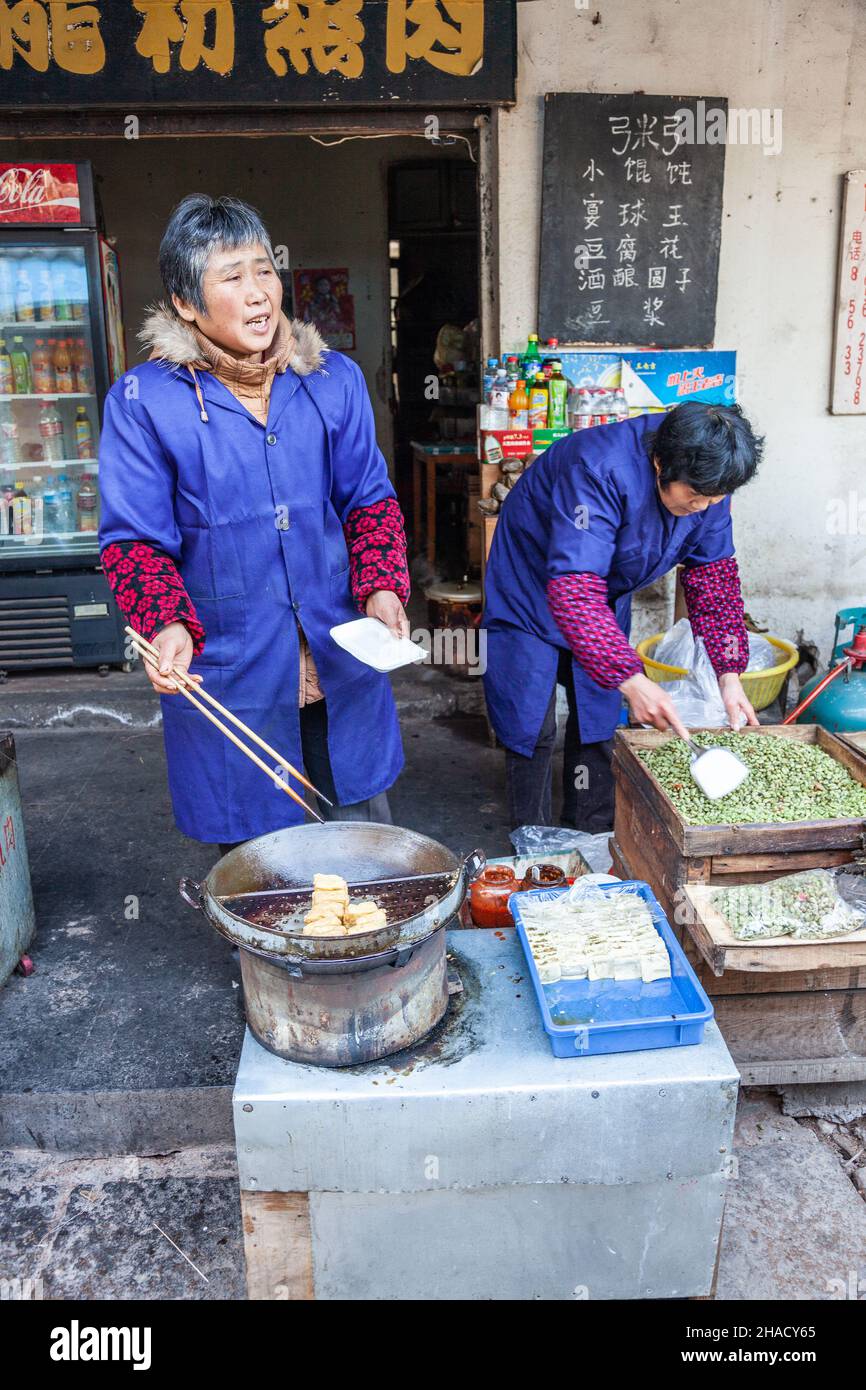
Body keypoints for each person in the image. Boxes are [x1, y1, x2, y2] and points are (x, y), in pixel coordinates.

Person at [99, 194, 410, 852]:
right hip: (230, 664)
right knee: (260, 863)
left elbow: (369, 502)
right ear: (186, 302)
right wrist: (165, 622)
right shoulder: (144, 403)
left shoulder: (333, 380)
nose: (258, 293)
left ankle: (367, 956)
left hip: (338, 648)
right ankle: (269, 957)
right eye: (231, 277)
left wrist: (382, 585)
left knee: (365, 846)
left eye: (264, 270)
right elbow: (133, 541)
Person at [482, 401, 763, 833]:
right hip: (531, 588)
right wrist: (633, 680)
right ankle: (532, 842)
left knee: (598, 714)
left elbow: (714, 576)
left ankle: (592, 835)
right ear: (658, 464)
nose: (704, 506)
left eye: (715, 499)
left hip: (602, 590)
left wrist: (728, 674)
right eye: (694, 497)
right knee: (530, 720)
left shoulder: (709, 484)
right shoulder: (596, 468)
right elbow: (574, 585)